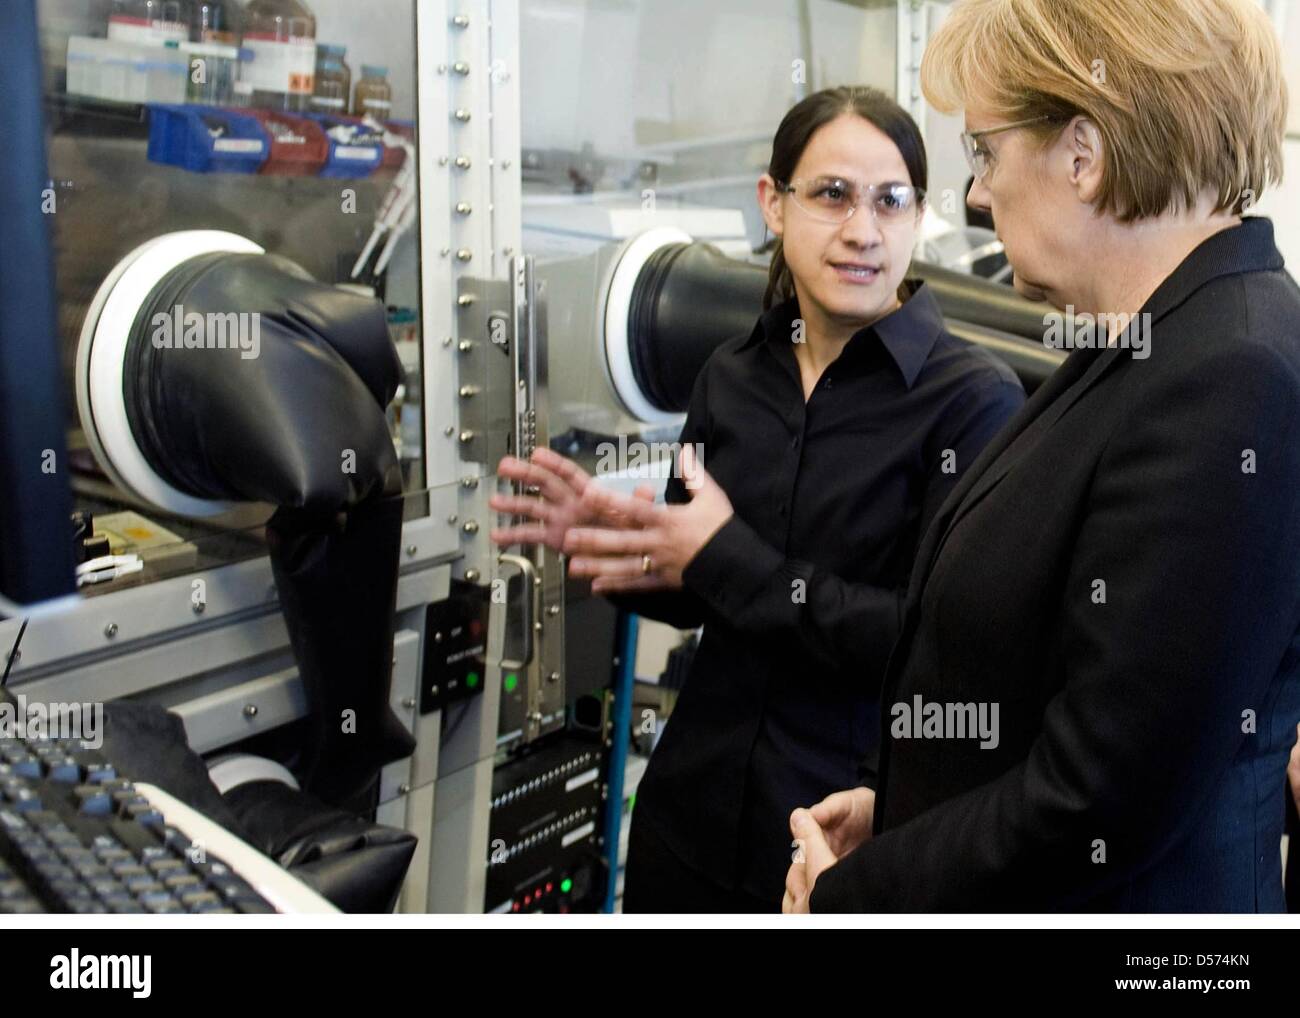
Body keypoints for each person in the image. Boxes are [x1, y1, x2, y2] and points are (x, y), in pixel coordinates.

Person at [783, 0, 1300, 913]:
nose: (976, 193)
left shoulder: (1229, 373)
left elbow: (1102, 795)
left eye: (984, 150)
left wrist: (865, 892)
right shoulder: (1159, 339)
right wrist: (903, 804)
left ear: (1083, 154)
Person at [490, 86, 1024, 911]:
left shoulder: (974, 405)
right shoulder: (729, 380)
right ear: (773, 204)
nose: (862, 230)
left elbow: (934, 649)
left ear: (919, 216)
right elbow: (701, 590)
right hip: (687, 827)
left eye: (891, 201)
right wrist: (626, 548)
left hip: (835, 846)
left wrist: (724, 555)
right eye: (833, 195)